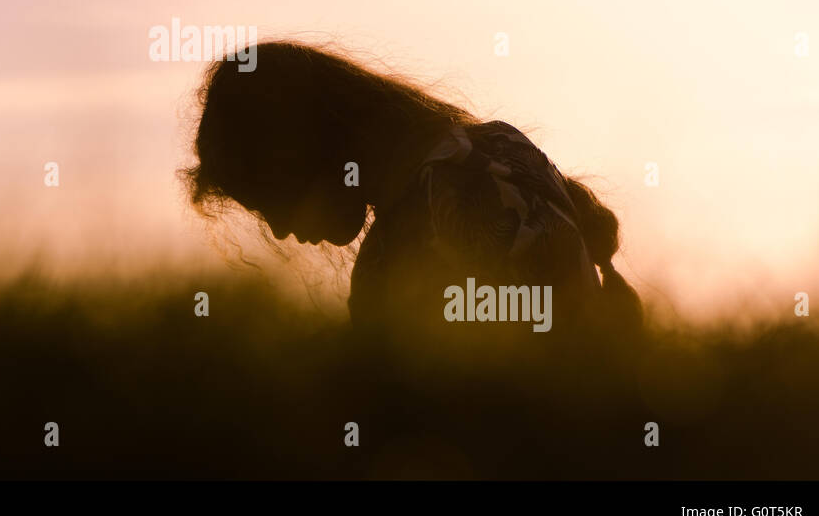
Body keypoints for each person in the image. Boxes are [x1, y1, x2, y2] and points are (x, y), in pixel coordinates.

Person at [183, 41, 642, 336]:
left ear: (305, 150)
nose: (280, 229)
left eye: (272, 200)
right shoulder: (479, 160)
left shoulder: (457, 190)